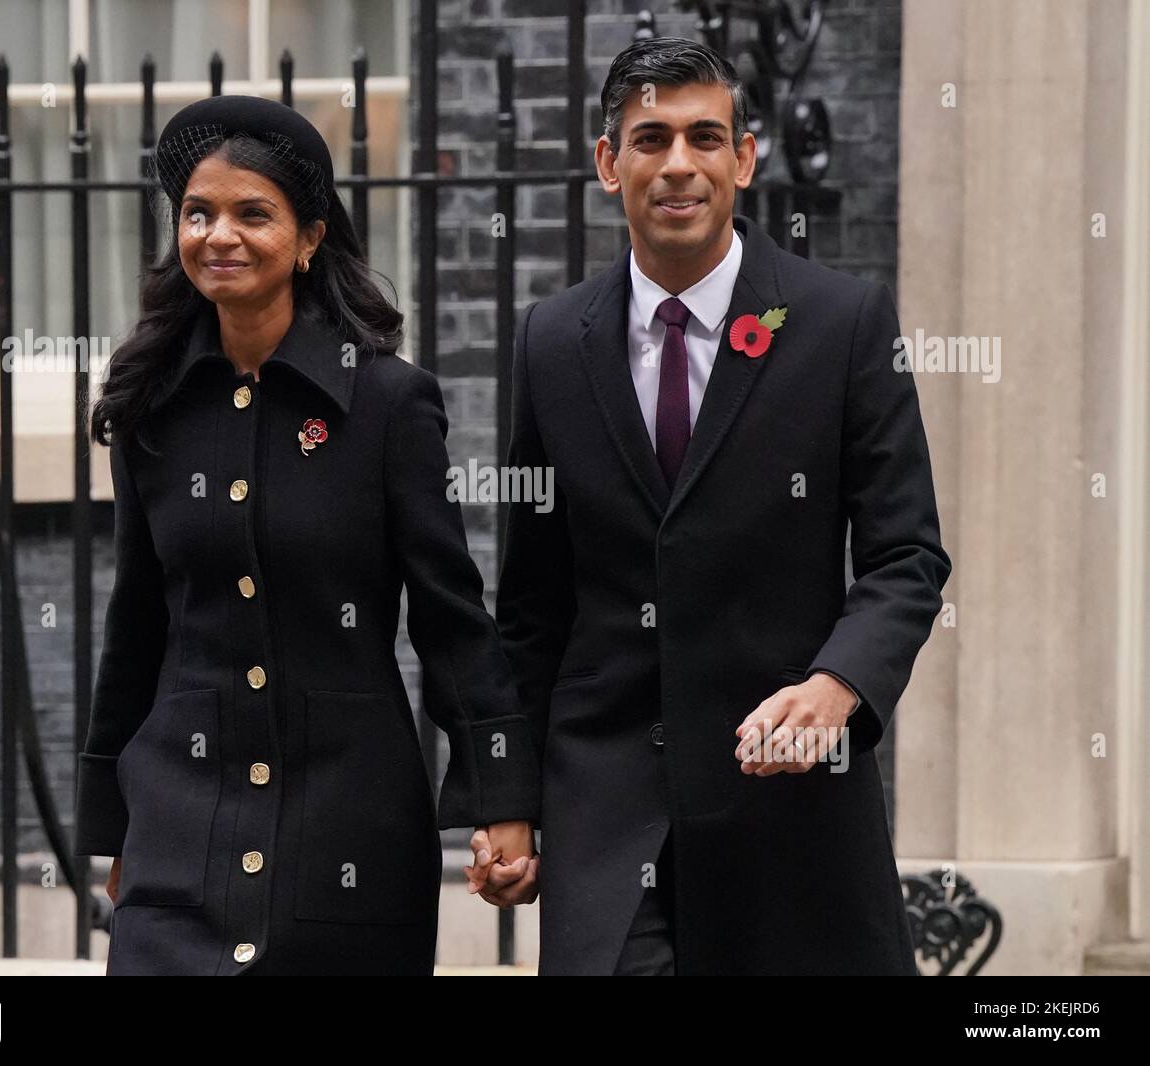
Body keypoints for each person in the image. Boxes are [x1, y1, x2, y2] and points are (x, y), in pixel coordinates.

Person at [470, 37, 952, 975]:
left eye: (704, 136)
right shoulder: (551, 341)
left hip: (790, 811)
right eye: (650, 139)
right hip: (608, 816)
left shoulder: (842, 324)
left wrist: (837, 687)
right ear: (611, 163)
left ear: (746, 156)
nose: (679, 164)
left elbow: (907, 558)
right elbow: (530, 605)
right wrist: (507, 796)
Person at [75, 95, 539, 975]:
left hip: (348, 824)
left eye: (254, 214)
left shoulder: (389, 404)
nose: (221, 235)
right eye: (199, 214)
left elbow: (449, 615)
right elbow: (137, 622)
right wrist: (117, 822)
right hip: (182, 817)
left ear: (310, 236)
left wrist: (501, 796)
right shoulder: (148, 407)